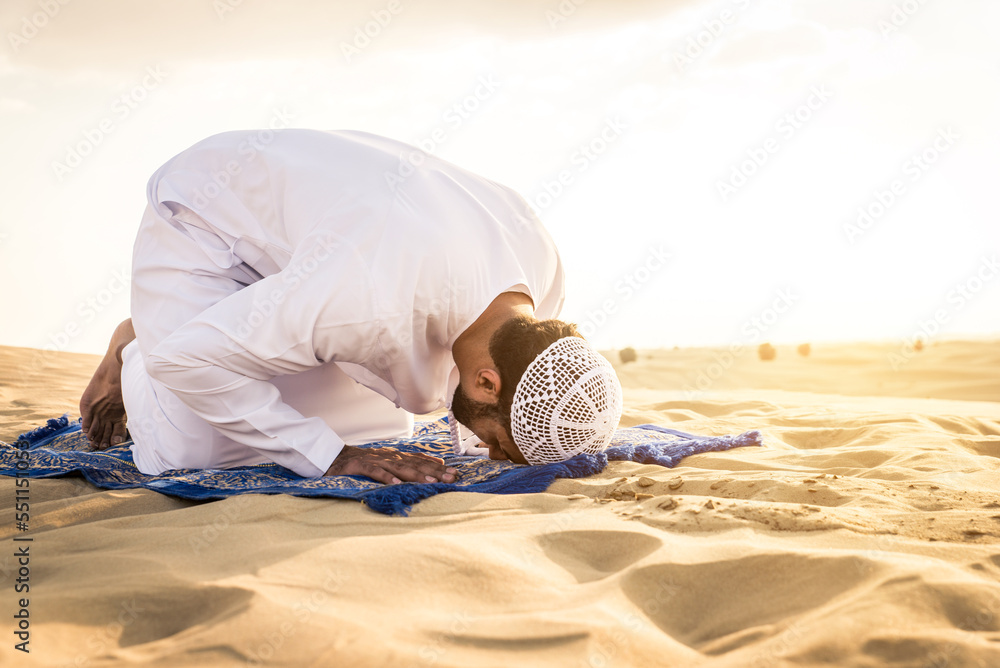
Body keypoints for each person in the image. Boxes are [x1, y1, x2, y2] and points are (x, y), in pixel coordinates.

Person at [80, 129, 623, 485]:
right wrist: (336, 459)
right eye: (502, 444)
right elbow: (185, 361)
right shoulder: (368, 300)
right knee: (190, 447)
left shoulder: (542, 282)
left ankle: (227, 326)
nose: (495, 456)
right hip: (203, 220)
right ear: (487, 383)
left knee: (385, 425)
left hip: (325, 254)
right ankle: (136, 344)